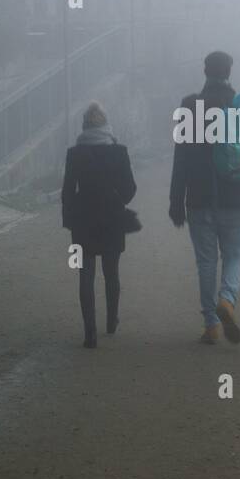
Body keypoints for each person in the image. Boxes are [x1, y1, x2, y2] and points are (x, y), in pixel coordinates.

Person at [168, 51, 240, 345]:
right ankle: (227, 298)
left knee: (206, 261)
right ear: (229, 71)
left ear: (205, 71)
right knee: (234, 254)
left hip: (198, 199)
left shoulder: (190, 106)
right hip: (235, 196)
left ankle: (211, 324)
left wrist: (176, 201)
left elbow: (181, 158)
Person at [62, 102, 137, 349]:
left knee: (85, 276)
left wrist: (70, 220)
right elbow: (130, 189)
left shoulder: (74, 154)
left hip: (82, 221)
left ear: (83, 126)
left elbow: (67, 192)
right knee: (111, 272)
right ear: (106, 125)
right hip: (112, 219)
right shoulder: (119, 151)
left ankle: (90, 334)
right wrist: (117, 202)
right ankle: (111, 322)